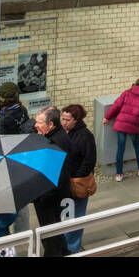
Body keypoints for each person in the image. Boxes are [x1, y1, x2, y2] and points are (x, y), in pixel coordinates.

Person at [32, 107, 72, 258]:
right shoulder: (57, 136)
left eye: (39, 122)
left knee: (50, 236)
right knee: (55, 234)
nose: (36, 125)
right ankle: (65, 252)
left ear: (50, 125)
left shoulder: (55, 144)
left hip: (49, 199)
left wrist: (41, 196)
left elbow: (57, 176)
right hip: (53, 196)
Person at [60, 104, 97, 254]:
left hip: (76, 183)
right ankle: (66, 246)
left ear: (76, 120)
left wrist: (76, 177)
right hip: (64, 183)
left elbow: (89, 160)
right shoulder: (63, 133)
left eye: (67, 119)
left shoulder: (85, 135)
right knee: (65, 217)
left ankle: (73, 248)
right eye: (62, 118)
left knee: (76, 217)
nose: (63, 122)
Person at [103, 75, 139, 181]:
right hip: (134, 126)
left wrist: (107, 117)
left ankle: (119, 174)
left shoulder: (126, 93)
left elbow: (116, 106)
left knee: (120, 148)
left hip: (121, 124)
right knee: (137, 146)